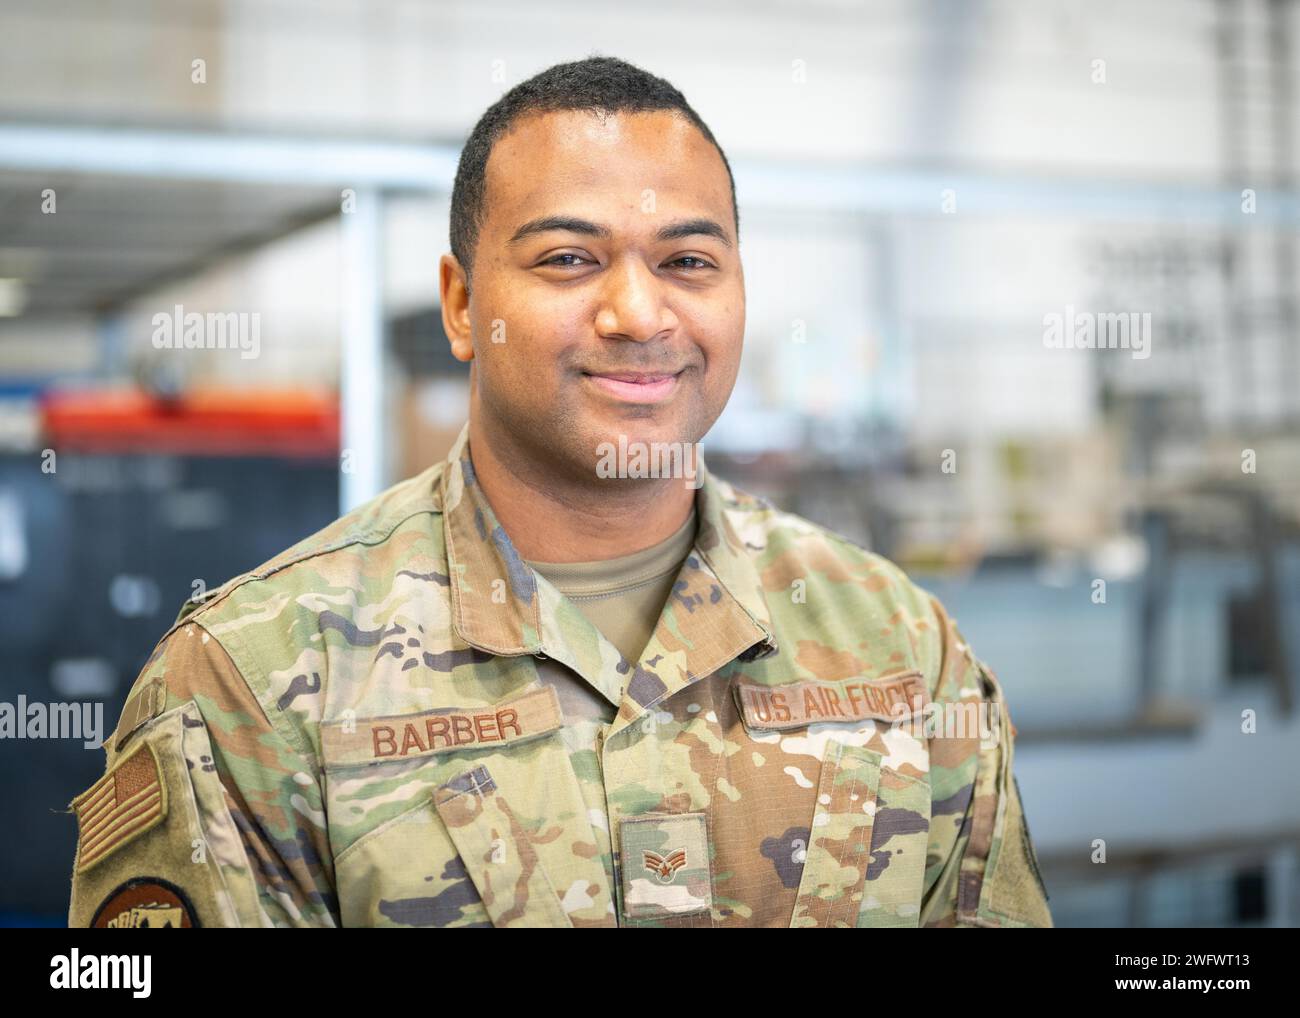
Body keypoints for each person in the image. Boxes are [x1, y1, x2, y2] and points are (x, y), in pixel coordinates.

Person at [67, 55, 1052, 928]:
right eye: (570, 259)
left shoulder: (899, 651)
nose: (637, 311)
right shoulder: (253, 683)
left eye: (688, 262)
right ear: (462, 305)